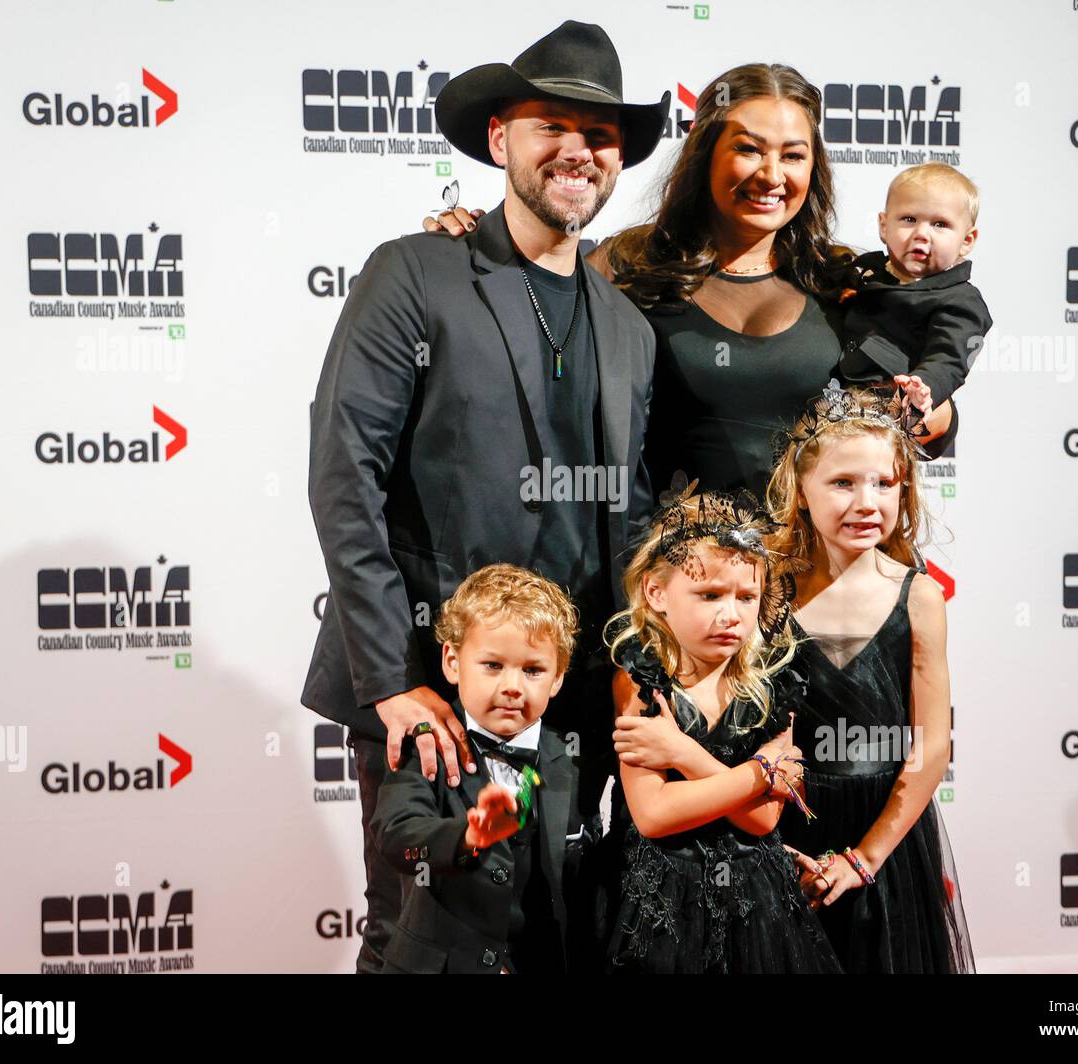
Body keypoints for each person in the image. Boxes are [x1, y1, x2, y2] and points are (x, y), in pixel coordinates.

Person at [302, 20, 668, 972]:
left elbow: (625, 519)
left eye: (600, 133)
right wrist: (388, 681)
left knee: (551, 938)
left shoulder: (629, 327)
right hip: (426, 679)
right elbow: (347, 479)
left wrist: (626, 674)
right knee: (419, 938)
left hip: (567, 696)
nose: (577, 149)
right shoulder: (415, 273)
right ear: (499, 139)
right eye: (552, 124)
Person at [426, 64, 957, 500]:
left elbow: (927, 420)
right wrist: (481, 240)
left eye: (793, 155)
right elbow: (536, 337)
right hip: (672, 590)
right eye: (749, 149)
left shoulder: (841, 278)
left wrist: (927, 406)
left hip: (811, 582)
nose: (772, 175)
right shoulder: (630, 264)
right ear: (705, 155)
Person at [766, 383, 974, 972]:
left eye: (884, 483)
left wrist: (864, 858)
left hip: (886, 841)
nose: (867, 502)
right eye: (843, 483)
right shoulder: (768, 592)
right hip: (787, 830)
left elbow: (931, 747)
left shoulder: (919, 597)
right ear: (800, 493)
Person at [602, 484, 841, 974]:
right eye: (709, 595)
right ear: (656, 592)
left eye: (746, 596)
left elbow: (764, 822)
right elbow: (654, 814)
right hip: (662, 905)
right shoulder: (641, 679)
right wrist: (761, 775)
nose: (731, 614)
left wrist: (680, 752)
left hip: (759, 900)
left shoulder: (775, 685)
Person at [371, 564, 598, 973]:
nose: (513, 686)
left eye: (533, 670)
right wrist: (468, 836)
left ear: (559, 677)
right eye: (492, 665)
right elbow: (395, 835)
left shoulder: (578, 758)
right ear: (453, 663)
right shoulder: (427, 745)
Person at [834, 162, 993, 412]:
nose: (921, 233)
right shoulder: (865, 270)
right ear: (884, 227)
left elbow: (950, 359)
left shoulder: (961, 301)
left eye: (940, 224)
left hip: (891, 408)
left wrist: (924, 387)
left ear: (967, 240)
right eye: (909, 219)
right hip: (834, 397)